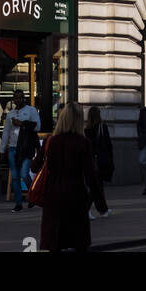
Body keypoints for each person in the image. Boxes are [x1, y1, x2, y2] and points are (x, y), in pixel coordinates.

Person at [38, 102, 101, 253]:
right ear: (79, 120)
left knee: (54, 241)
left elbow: (35, 166)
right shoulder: (83, 142)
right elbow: (91, 175)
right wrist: (101, 204)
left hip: (53, 195)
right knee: (79, 241)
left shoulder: (50, 141)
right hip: (75, 194)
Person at [0, 89, 41, 211]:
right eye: (16, 98)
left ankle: (32, 195)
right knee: (15, 176)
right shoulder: (10, 114)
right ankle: (18, 203)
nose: (18, 100)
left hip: (26, 147)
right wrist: (2, 149)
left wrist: (22, 123)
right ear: (13, 100)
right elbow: (6, 132)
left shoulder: (31, 110)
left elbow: (38, 126)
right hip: (13, 148)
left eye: (20, 97)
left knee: (24, 173)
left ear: (24, 98)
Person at [84, 106, 113, 218]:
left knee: (98, 186)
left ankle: (103, 209)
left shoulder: (87, 129)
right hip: (100, 161)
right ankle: (86, 209)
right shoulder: (102, 127)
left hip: (91, 160)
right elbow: (108, 144)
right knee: (95, 187)